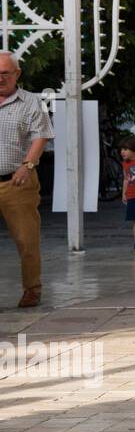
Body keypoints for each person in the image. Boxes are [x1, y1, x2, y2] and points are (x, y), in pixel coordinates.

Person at [0, 51, 54, 308]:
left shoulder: (33, 101)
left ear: (17, 74)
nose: (0, 78)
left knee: (26, 239)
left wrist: (27, 165)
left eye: (5, 73)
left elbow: (41, 135)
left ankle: (32, 289)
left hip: (17, 182)